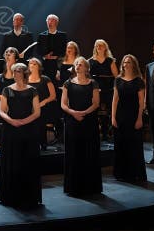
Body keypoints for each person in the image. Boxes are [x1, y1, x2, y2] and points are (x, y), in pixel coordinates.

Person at [0, 63, 42, 209]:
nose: (16, 73)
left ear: (24, 73)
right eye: (14, 71)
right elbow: (2, 111)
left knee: (27, 161)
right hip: (10, 129)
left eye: (19, 71)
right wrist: (12, 121)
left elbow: (36, 112)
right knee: (12, 161)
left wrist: (23, 121)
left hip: (28, 129)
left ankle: (29, 196)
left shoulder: (32, 90)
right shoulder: (7, 90)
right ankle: (10, 196)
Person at [61, 56, 102, 196]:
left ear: (86, 68)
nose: (78, 66)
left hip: (89, 121)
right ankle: (74, 186)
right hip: (72, 121)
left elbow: (96, 103)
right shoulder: (68, 83)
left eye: (80, 64)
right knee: (74, 153)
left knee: (88, 152)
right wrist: (74, 113)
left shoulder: (93, 83)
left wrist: (84, 113)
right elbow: (63, 104)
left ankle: (90, 186)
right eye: (76, 64)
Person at [112, 54, 147, 183]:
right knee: (121, 145)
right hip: (120, 116)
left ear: (133, 65)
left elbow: (141, 102)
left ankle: (135, 173)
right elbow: (115, 100)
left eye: (128, 62)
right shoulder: (118, 80)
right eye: (124, 62)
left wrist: (139, 119)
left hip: (133, 116)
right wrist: (113, 117)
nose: (125, 64)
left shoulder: (139, 81)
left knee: (134, 146)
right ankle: (121, 173)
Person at [89, 39, 119, 142]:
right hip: (95, 90)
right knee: (95, 111)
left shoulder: (110, 61)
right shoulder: (90, 61)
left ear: (105, 47)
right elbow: (88, 77)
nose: (99, 47)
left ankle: (106, 134)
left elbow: (116, 76)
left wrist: (116, 88)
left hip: (108, 89)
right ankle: (95, 133)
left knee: (106, 112)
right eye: (97, 46)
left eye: (101, 46)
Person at [0, 47, 20, 148]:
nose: (8, 54)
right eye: (6, 52)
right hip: (0, 100)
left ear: (16, 59)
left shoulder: (18, 75)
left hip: (13, 101)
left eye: (11, 53)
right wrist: (1, 98)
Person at [27, 58, 57, 151]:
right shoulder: (25, 79)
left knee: (41, 126)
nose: (32, 65)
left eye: (34, 63)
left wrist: (42, 103)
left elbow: (53, 95)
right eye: (30, 63)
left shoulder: (45, 79)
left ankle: (43, 145)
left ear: (39, 66)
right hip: (29, 107)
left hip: (42, 107)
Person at [37, 14, 68, 81]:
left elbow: (64, 49)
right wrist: (44, 56)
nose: (50, 22)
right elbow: (38, 50)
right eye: (48, 20)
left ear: (57, 22)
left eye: (52, 20)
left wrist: (56, 56)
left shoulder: (62, 35)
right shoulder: (41, 35)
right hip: (45, 65)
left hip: (57, 64)